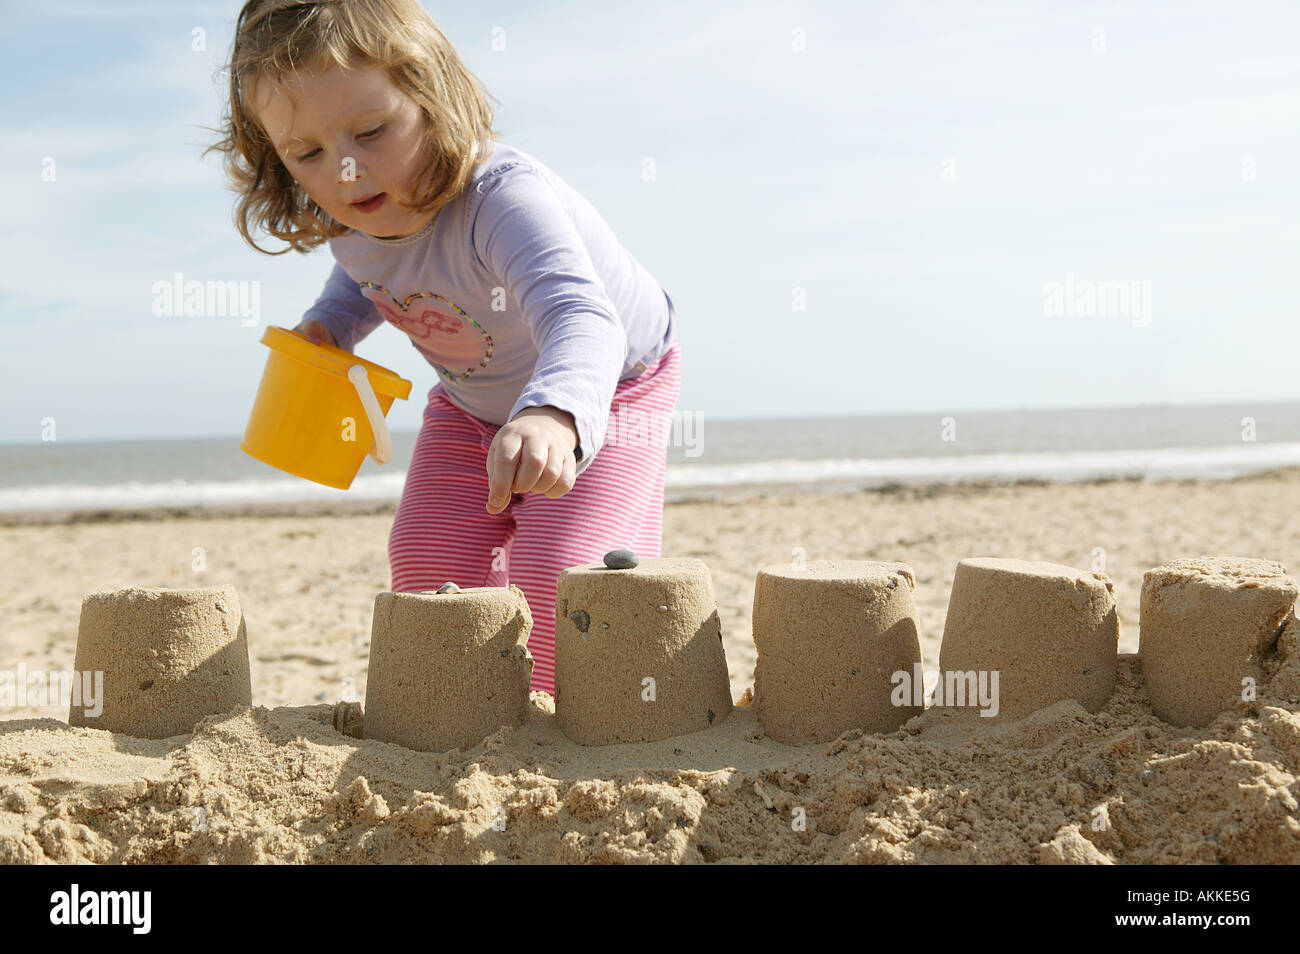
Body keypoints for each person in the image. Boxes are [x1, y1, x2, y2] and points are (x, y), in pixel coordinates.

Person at [207, 0, 681, 694]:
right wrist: (327, 330)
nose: (344, 172)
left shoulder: (502, 203)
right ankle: (470, 706)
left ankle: (569, 717)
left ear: (433, 98)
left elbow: (585, 317)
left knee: (563, 570)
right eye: (306, 154)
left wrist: (553, 414)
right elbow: (365, 274)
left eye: (370, 131)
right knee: (426, 557)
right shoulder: (353, 217)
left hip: (608, 386)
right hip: (471, 401)